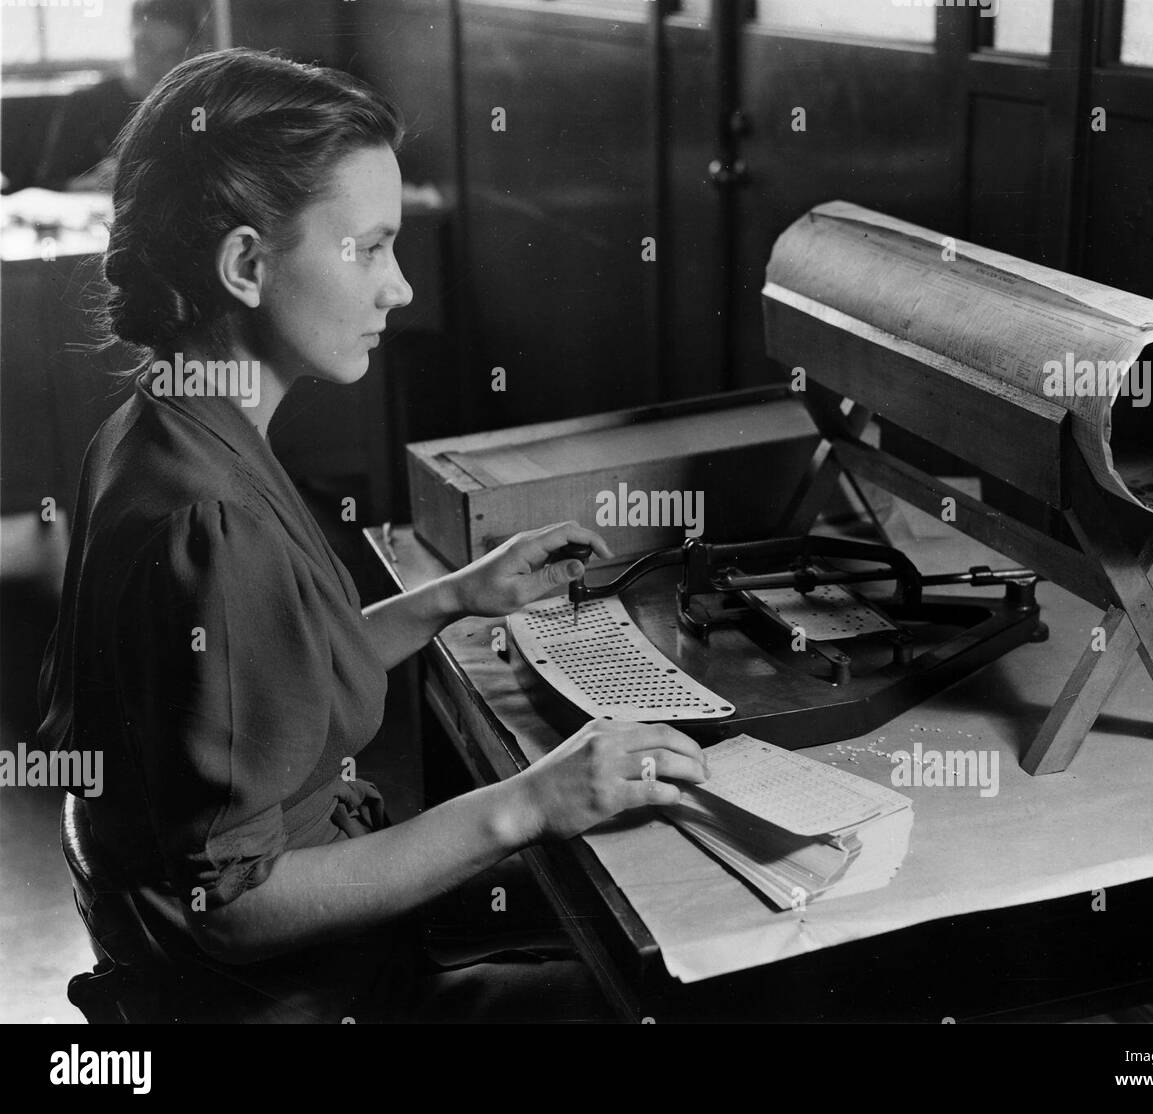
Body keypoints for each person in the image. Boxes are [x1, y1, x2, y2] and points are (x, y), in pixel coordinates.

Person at [36, 48, 708, 1023]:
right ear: (246, 264)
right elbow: (231, 906)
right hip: (286, 996)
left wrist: (454, 596)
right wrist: (529, 800)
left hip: (289, 969)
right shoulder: (213, 520)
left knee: (625, 914)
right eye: (368, 247)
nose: (399, 288)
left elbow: (260, 670)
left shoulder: (161, 425)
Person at [35, 0, 204, 191]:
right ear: (130, 33)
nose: (153, 62)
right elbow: (46, 183)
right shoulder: (84, 102)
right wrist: (92, 182)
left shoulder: (197, 108)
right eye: (145, 46)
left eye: (170, 54)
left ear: (189, 54)